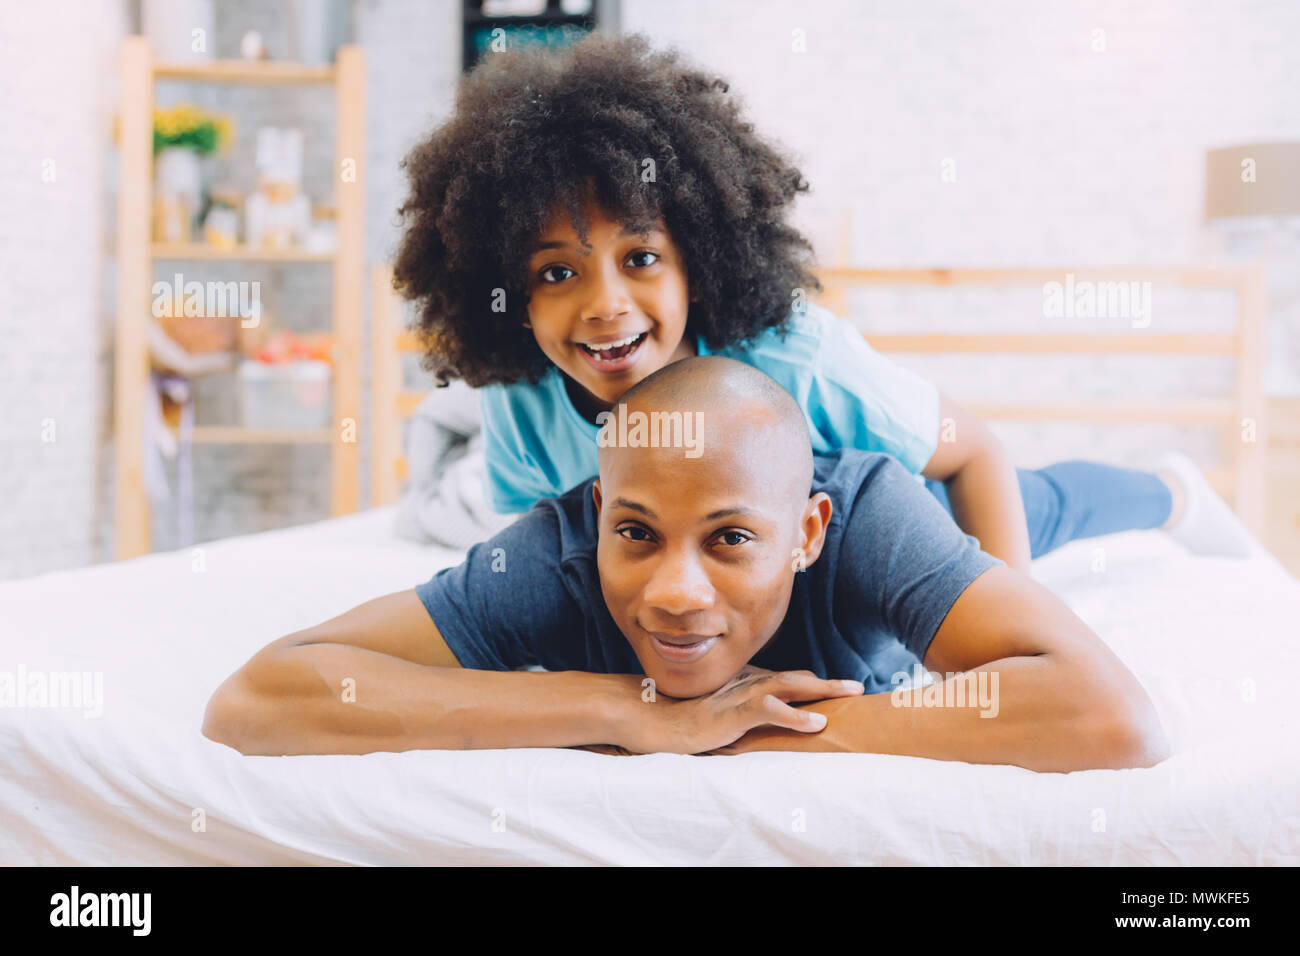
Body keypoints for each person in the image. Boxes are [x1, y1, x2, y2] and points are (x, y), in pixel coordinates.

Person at [390, 32, 1252, 572]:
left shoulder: (797, 363)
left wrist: (1011, 637)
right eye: (553, 274)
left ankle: (1173, 493)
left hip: (908, 511)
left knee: (1044, 504)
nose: (606, 305)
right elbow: (543, 546)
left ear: (703, 257)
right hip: (744, 567)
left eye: (642, 256)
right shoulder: (523, 400)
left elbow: (975, 450)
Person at [203, 357, 1169, 773]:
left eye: (731, 540)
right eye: (636, 534)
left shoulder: (874, 517)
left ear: (807, 531)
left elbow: (1111, 713)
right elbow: (256, 699)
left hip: (932, 494)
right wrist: (625, 710)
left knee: (1051, 501)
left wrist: (760, 731)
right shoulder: (558, 552)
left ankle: (1173, 487)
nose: (672, 592)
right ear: (596, 513)